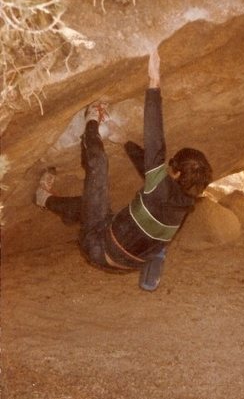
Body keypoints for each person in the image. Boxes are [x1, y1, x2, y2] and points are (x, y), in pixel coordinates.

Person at [34, 49, 213, 291]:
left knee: (99, 167)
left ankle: (91, 119)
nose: (166, 167)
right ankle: (44, 199)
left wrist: (154, 82)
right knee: (94, 206)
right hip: (121, 262)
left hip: (97, 243)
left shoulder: (160, 186)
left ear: (177, 173)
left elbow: (155, 139)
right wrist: (125, 142)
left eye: (171, 166)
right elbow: (150, 170)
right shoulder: (185, 206)